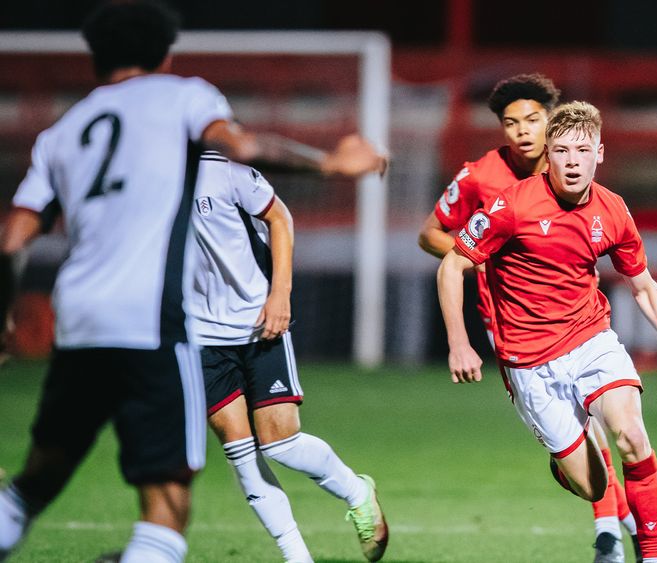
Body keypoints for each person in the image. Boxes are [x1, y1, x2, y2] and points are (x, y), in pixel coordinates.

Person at [0, 1, 385, 562]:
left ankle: (346, 501)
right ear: (165, 55)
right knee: (168, 506)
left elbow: (12, 239)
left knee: (35, 483)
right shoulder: (184, 99)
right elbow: (245, 144)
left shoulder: (62, 133)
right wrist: (332, 164)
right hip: (161, 325)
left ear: (94, 59)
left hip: (80, 323)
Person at [437, 101, 657, 563]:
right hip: (527, 363)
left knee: (631, 436)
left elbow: (643, 286)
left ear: (599, 154)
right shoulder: (511, 206)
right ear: (549, 155)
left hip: (591, 341)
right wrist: (459, 343)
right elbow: (451, 265)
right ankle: (567, 458)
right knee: (593, 486)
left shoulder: (614, 210)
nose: (572, 161)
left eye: (582, 150)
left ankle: (654, 557)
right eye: (561, 150)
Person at [418, 75, 639, 561]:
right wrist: (484, 252)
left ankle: (610, 535)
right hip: (513, 326)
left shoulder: (570, 167)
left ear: (552, 123)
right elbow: (432, 234)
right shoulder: (478, 176)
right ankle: (618, 518)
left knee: (607, 417)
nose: (521, 132)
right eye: (510, 123)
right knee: (581, 439)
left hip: (577, 323)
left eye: (533, 120)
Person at [190, 152, 387, 562]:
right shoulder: (144, 183)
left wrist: (280, 293)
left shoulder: (221, 172)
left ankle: (356, 490)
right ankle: (297, 557)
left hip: (258, 320)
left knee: (280, 444)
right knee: (240, 454)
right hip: (201, 335)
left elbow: (279, 217)